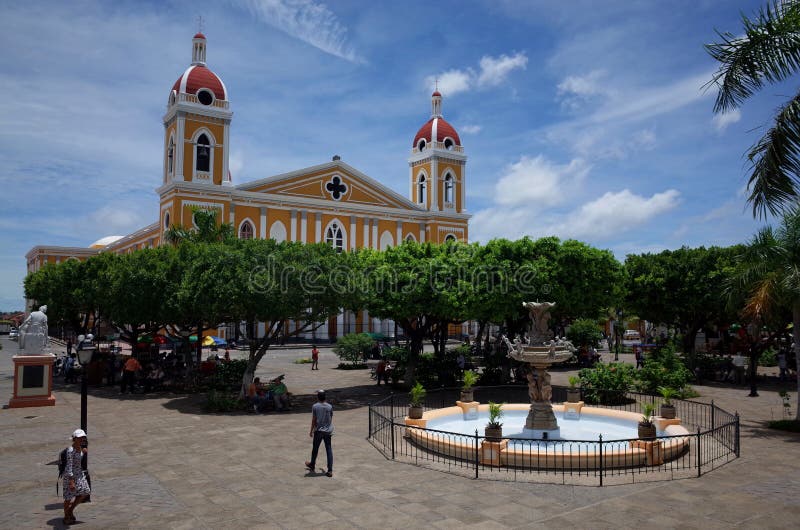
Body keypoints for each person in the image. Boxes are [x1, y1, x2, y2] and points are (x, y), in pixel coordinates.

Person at [62, 428, 91, 525]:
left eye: (83, 437)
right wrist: (71, 481)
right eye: (80, 438)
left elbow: (81, 453)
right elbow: (69, 465)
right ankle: (66, 516)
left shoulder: (80, 447)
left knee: (85, 491)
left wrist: (83, 451)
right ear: (74, 439)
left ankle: (70, 510)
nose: (82, 439)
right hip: (71, 476)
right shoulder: (71, 450)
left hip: (79, 474)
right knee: (68, 497)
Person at [305, 390, 334, 477]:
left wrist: (311, 431)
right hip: (328, 431)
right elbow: (330, 418)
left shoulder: (315, 406)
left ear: (318, 397)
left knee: (315, 449)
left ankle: (312, 464)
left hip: (319, 431)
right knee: (328, 449)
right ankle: (330, 470)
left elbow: (314, 419)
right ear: (325, 397)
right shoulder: (329, 406)